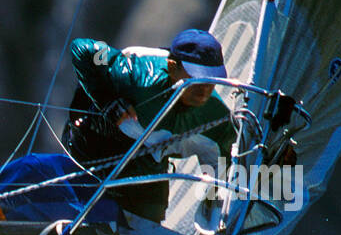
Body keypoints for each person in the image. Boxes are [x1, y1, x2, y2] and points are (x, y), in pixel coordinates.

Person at [60, 28, 236, 224]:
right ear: (171, 67)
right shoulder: (135, 74)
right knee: (84, 212)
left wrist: (211, 201)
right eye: (196, 79)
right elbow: (83, 49)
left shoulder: (216, 117)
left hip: (148, 161)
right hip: (96, 142)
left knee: (149, 224)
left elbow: (222, 159)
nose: (204, 90)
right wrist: (106, 100)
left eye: (211, 80)